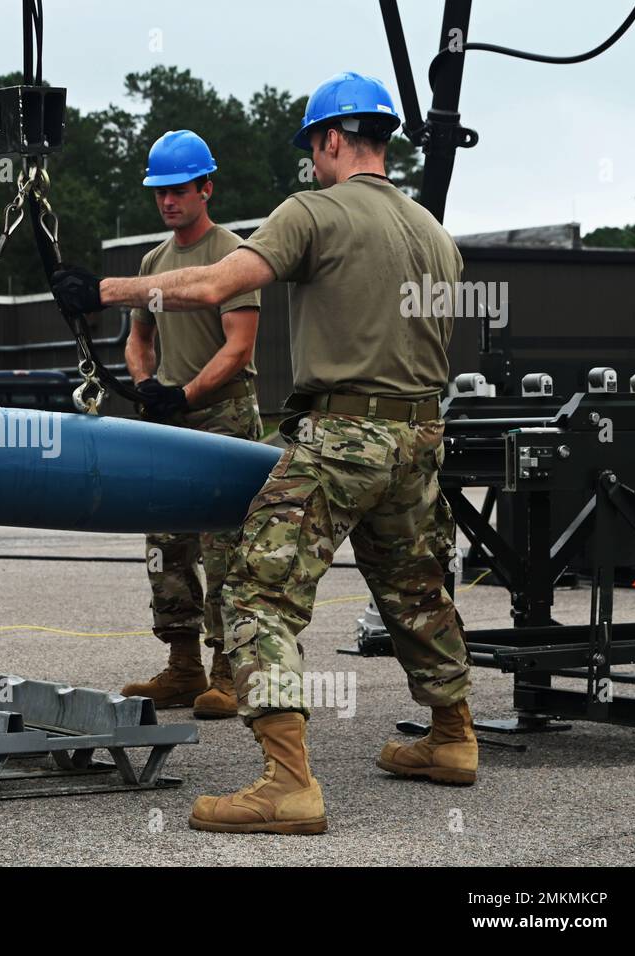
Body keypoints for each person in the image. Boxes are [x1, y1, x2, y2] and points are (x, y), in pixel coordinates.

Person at [51, 72, 475, 835]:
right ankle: (452, 739)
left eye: (314, 146)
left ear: (333, 140)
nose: (314, 160)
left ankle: (287, 782)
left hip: (344, 433)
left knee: (254, 592)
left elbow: (220, 284)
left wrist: (104, 290)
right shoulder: (436, 235)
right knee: (415, 590)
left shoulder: (312, 212)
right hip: (420, 436)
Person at [122, 130, 261, 721]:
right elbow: (138, 338)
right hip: (172, 420)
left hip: (223, 414)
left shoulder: (236, 256)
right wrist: (145, 385)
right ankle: (183, 668)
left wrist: (183, 394)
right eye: (159, 192)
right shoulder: (154, 263)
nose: (167, 202)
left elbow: (238, 347)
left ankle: (230, 673)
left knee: (226, 548)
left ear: (207, 187)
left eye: (178, 190)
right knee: (166, 545)